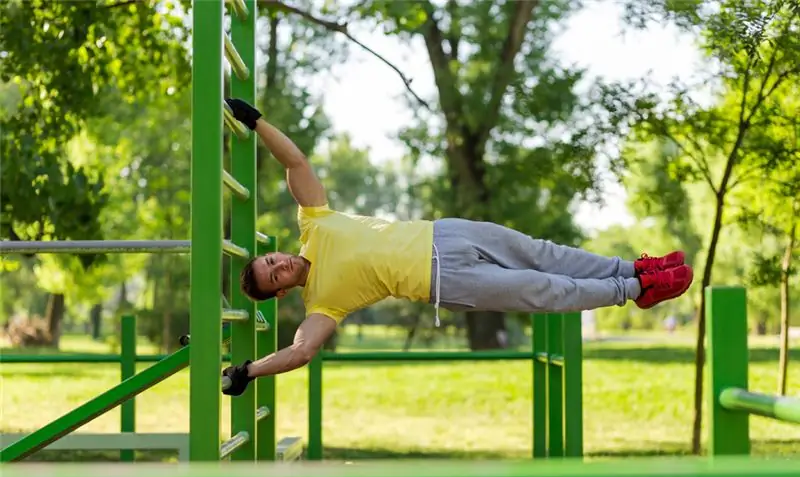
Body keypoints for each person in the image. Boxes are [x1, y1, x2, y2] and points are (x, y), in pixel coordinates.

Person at [220, 98, 694, 396]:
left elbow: (296, 162)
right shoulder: (322, 303)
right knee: (544, 289)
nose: (279, 265)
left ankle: (634, 267)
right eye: (274, 275)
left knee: (546, 253)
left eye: (270, 260)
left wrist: (258, 122)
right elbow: (301, 352)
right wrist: (250, 370)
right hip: (448, 281)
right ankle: (635, 289)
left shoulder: (313, 223)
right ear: (281, 291)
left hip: (447, 232)